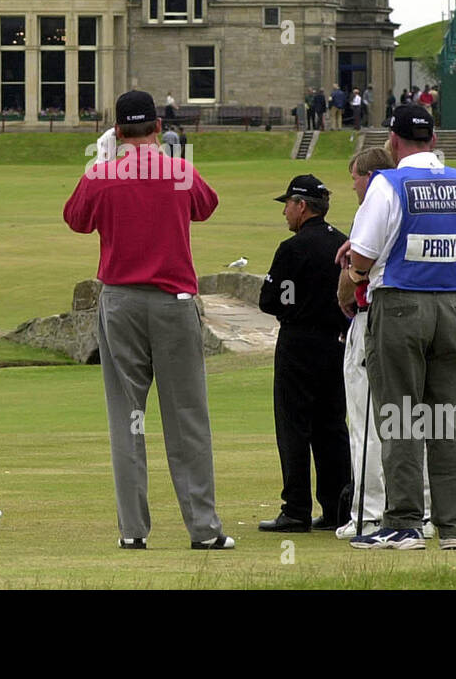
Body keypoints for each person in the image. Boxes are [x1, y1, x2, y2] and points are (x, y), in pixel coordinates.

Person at [63, 90, 233, 550]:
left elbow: (76, 219)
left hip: (120, 302)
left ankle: (132, 531)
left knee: (127, 417)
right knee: (187, 418)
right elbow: (206, 206)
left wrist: (101, 162)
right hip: (174, 301)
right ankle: (203, 529)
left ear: (117, 131)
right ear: (158, 127)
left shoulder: (102, 174)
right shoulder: (178, 170)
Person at [341, 105, 456, 551]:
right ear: (433, 140)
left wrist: (357, 279)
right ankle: (452, 527)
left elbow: (361, 256)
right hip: (453, 306)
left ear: (393, 143)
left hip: (400, 304)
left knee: (400, 417)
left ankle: (403, 523)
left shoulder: (388, 183)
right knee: (444, 418)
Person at [334, 146, 432, 540]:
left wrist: (346, 275)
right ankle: (419, 511)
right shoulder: (418, 205)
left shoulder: (376, 205)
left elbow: (357, 271)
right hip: (425, 317)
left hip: (375, 321)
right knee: (416, 420)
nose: (354, 186)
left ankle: (369, 514)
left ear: (371, 177)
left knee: (367, 424)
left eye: (355, 178)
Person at [257, 174, 352, 533]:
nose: (285, 214)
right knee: (332, 425)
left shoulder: (292, 249)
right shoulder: (343, 243)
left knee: (294, 426)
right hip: (338, 343)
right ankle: (338, 508)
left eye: (288, 206)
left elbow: (269, 301)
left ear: (301, 206)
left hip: (298, 344)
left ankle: (295, 509)